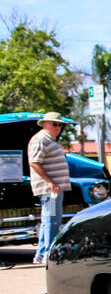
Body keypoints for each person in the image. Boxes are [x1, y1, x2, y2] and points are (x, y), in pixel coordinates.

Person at [27, 112, 71, 266]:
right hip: (50, 190)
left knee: (49, 220)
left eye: (60, 125)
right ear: (45, 124)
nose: (58, 127)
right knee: (52, 219)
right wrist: (51, 182)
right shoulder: (41, 140)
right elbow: (34, 162)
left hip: (53, 188)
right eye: (55, 124)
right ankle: (47, 253)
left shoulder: (49, 140)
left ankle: (40, 254)